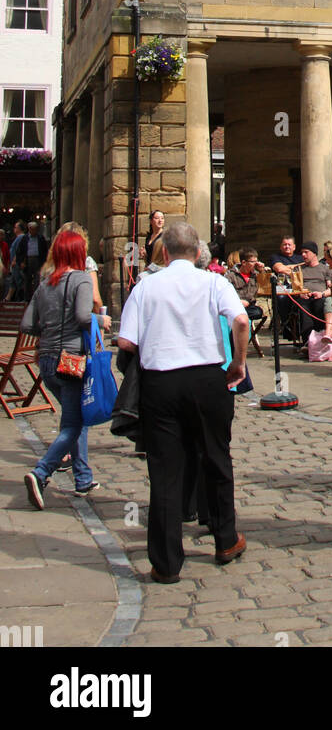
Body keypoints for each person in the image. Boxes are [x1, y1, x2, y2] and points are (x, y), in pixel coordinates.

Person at [117, 221, 249, 583]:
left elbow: (126, 343)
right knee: (217, 458)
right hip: (208, 378)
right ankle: (225, 540)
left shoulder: (145, 286)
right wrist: (237, 364)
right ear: (197, 252)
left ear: (163, 252)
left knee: (164, 470)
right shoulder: (214, 282)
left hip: (160, 382)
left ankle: (165, 562)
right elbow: (240, 320)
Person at [21, 229, 108, 507]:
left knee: (74, 417)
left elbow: (27, 325)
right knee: (73, 424)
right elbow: (84, 316)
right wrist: (100, 321)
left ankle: (82, 477)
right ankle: (41, 471)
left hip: (46, 360)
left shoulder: (45, 282)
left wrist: (49, 328)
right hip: (70, 361)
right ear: (77, 253)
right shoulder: (81, 279)